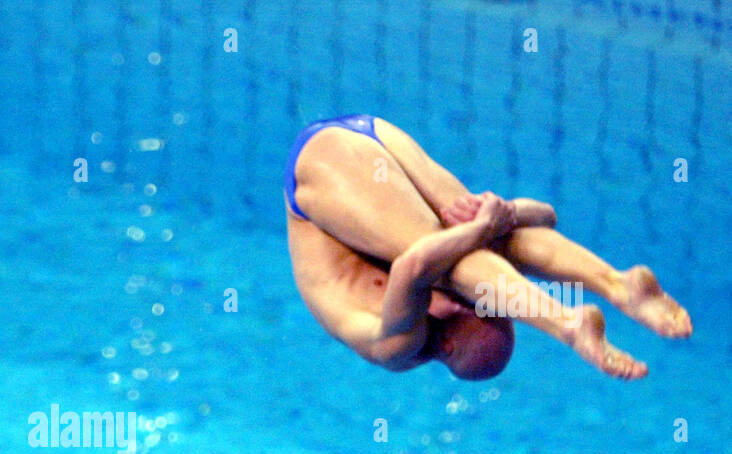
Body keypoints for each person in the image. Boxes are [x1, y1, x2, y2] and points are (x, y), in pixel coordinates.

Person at [285, 114, 691, 380]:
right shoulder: (446, 302)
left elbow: (413, 266)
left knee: (447, 256)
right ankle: (617, 284)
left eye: (471, 305)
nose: (469, 299)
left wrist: (484, 225)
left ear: (446, 344)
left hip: (321, 164)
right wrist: (504, 213)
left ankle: (571, 324)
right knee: (479, 244)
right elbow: (547, 216)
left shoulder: (396, 344)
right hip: (371, 134)